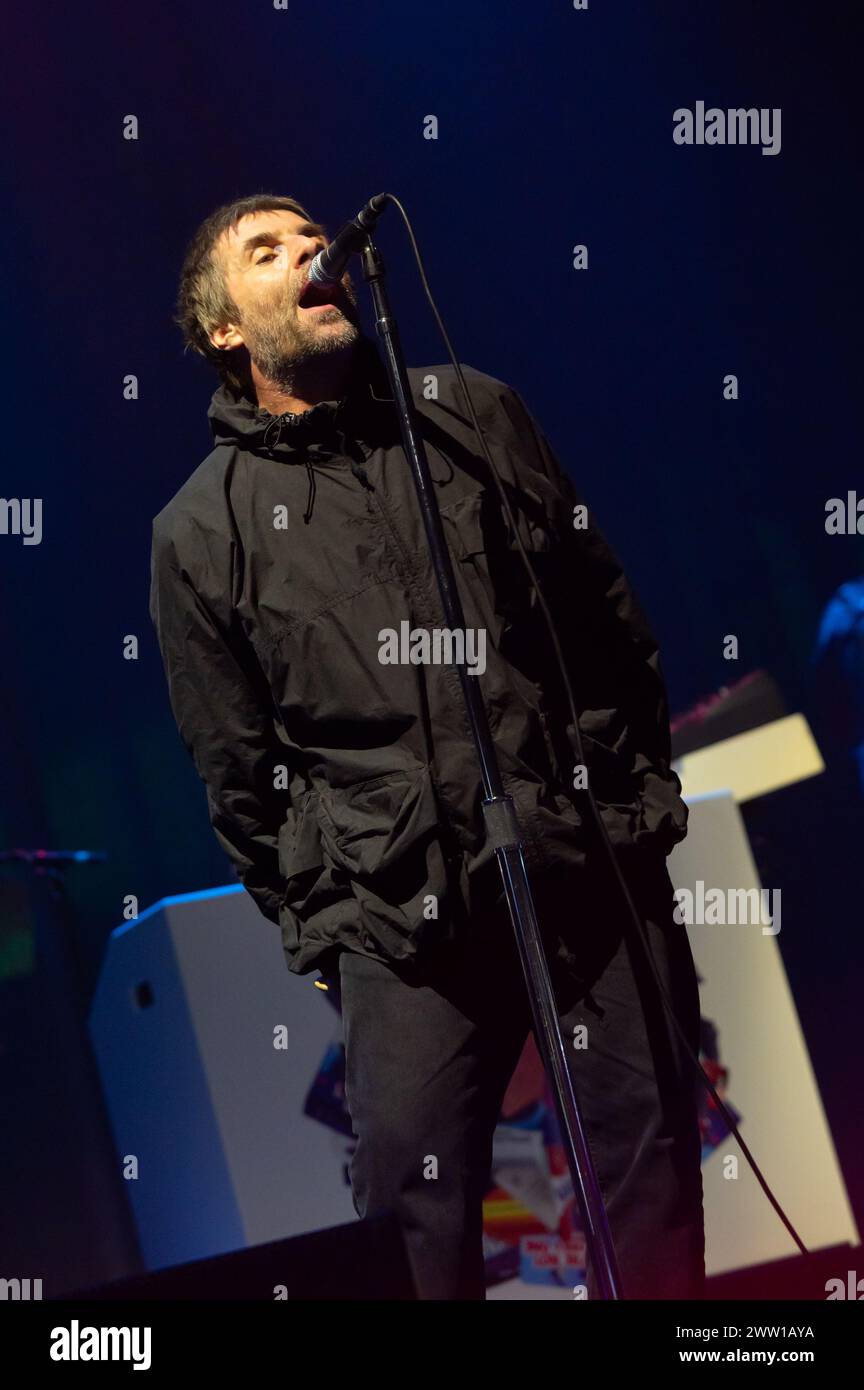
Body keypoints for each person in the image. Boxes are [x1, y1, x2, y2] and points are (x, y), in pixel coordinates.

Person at [150, 193, 705, 1300]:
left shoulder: (470, 415)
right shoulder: (199, 531)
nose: (311, 253)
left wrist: (632, 804)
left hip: (580, 858)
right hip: (406, 923)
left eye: (315, 239)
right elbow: (236, 767)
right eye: (268, 252)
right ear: (223, 330)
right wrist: (327, 923)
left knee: (649, 1172)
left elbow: (602, 618)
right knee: (410, 1211)